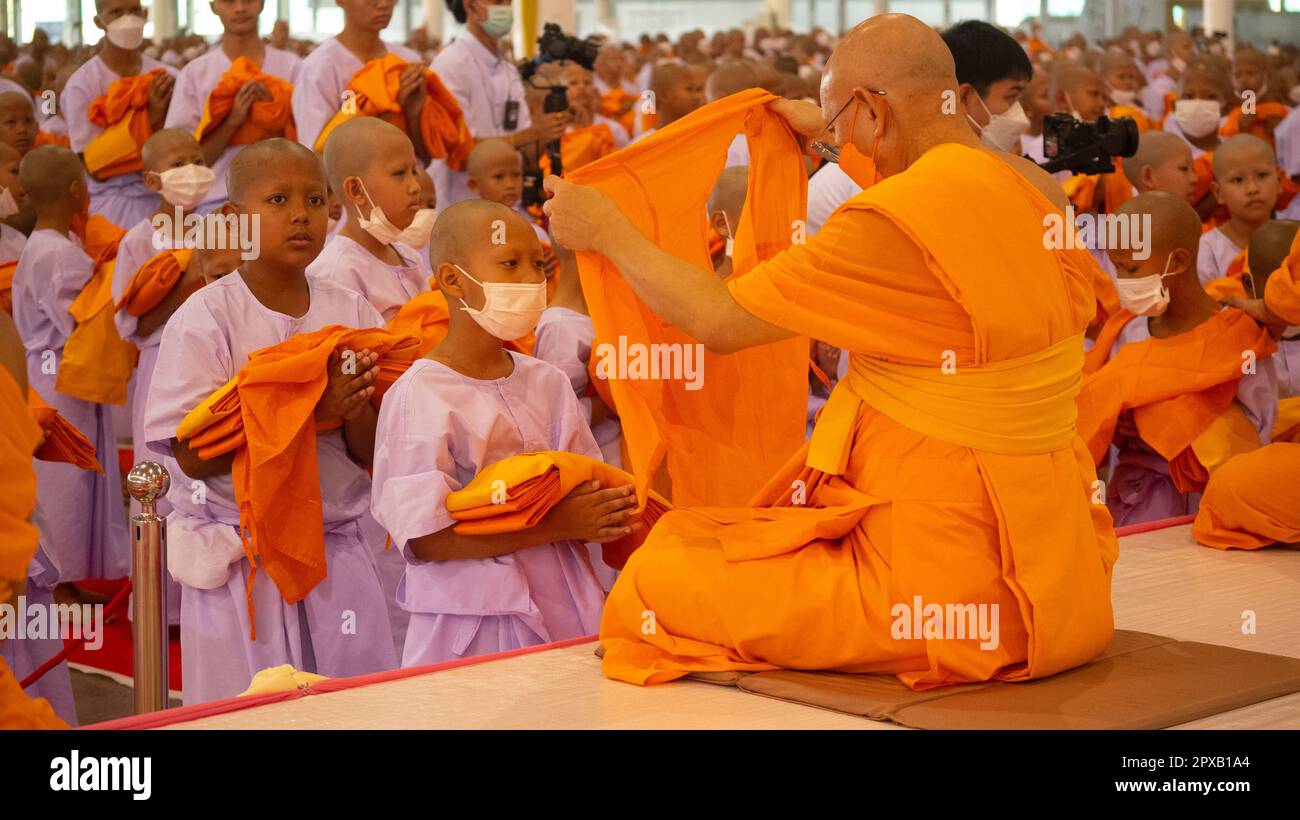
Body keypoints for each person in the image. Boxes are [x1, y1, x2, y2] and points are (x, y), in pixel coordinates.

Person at [544, 14, 1117, 689]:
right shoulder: (1035, 189)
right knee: (724, 536)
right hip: (1058, 569)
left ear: (873, 109)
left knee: (659, 571)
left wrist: (608, 231)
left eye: (843, 122)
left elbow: (720, 318)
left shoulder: (887, 221)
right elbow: (955, 188)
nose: (843, 141)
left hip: (942, 581)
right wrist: (827, 125)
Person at [143, 139, 397, 703]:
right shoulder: (207, 317)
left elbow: (372, 449)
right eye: (278, 199)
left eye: (313, 198)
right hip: (246, 557)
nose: (300, 214)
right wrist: (311, 411)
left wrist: (348, 409)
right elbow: (191, 455)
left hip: (335, 552)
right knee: (248, 711)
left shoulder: (352, 311)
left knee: (352, 707)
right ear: (234, 221)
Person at [370, 199, 629, 666]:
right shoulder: (419, 395)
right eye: (510, 264)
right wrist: (558, 525)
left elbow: (588, 484)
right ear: (452, 280)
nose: (531, 280)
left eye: (538, 264)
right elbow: (425, 539)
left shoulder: (545, 381)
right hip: (473, 619)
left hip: (565, 598)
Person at [1080, 192, 1277, 525]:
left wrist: (1170, 421)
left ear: (1180, 261)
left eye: (1132, 268)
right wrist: (1120, 425)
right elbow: (1096, 411)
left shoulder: (1238, 337)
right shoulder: (1127, 328)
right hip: (1136, 496)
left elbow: (1259, 427)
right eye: (1117, 269)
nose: (1123, 281)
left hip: (1216, 497)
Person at [13, 146, 129, 602]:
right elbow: (81, 322)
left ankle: (68, 576)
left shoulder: (48, 247)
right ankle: (59, 582)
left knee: (75, 479)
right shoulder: (58, 254)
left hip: (55, 374)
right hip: (61, 375)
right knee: (66, 481)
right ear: (78, 192)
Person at [163, 0, 300, 213]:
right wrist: (231, 122)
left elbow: (306, 147)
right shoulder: (195, 74)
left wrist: (270, 115)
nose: (240, 8)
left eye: (248, 0)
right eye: (228, 1)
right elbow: (183, 164)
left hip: (284, 200)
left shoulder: (293, 67)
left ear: (262, 3)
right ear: (213, 6)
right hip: (214, 202)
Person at [431, 0, 566, 207]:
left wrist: (547, 131)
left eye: (508, 2)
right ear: (470, 6)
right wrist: (532, 133)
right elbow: (462, 153)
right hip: (463, 203)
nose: (505, 8)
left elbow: (522, 149)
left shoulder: (508, 69)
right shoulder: (450, 65)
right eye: (497, 1)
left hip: (510, 203)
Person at [61, 0, 177, 228]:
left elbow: (183, 146)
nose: (128, 19)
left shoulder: (167, 75)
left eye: (134, 10)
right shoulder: (82, 84)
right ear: (98, 21)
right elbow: (95, 168)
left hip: (167, 197)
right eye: (116, 12)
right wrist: (148, 118)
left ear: (145, 14)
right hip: (112, 203)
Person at [310, 117, 435, 321]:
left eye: (414, 172)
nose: (415, 186)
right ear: (356, 190)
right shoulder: (336, 273)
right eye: (399, 173)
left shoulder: (409, 256)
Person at [1198, 134, 1282, 284]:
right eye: (1238, 180)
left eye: (1262, 175)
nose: (1252, 189)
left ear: (1279, 180)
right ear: (1218, 192)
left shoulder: (1295, 240)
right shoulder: (1207, 250)